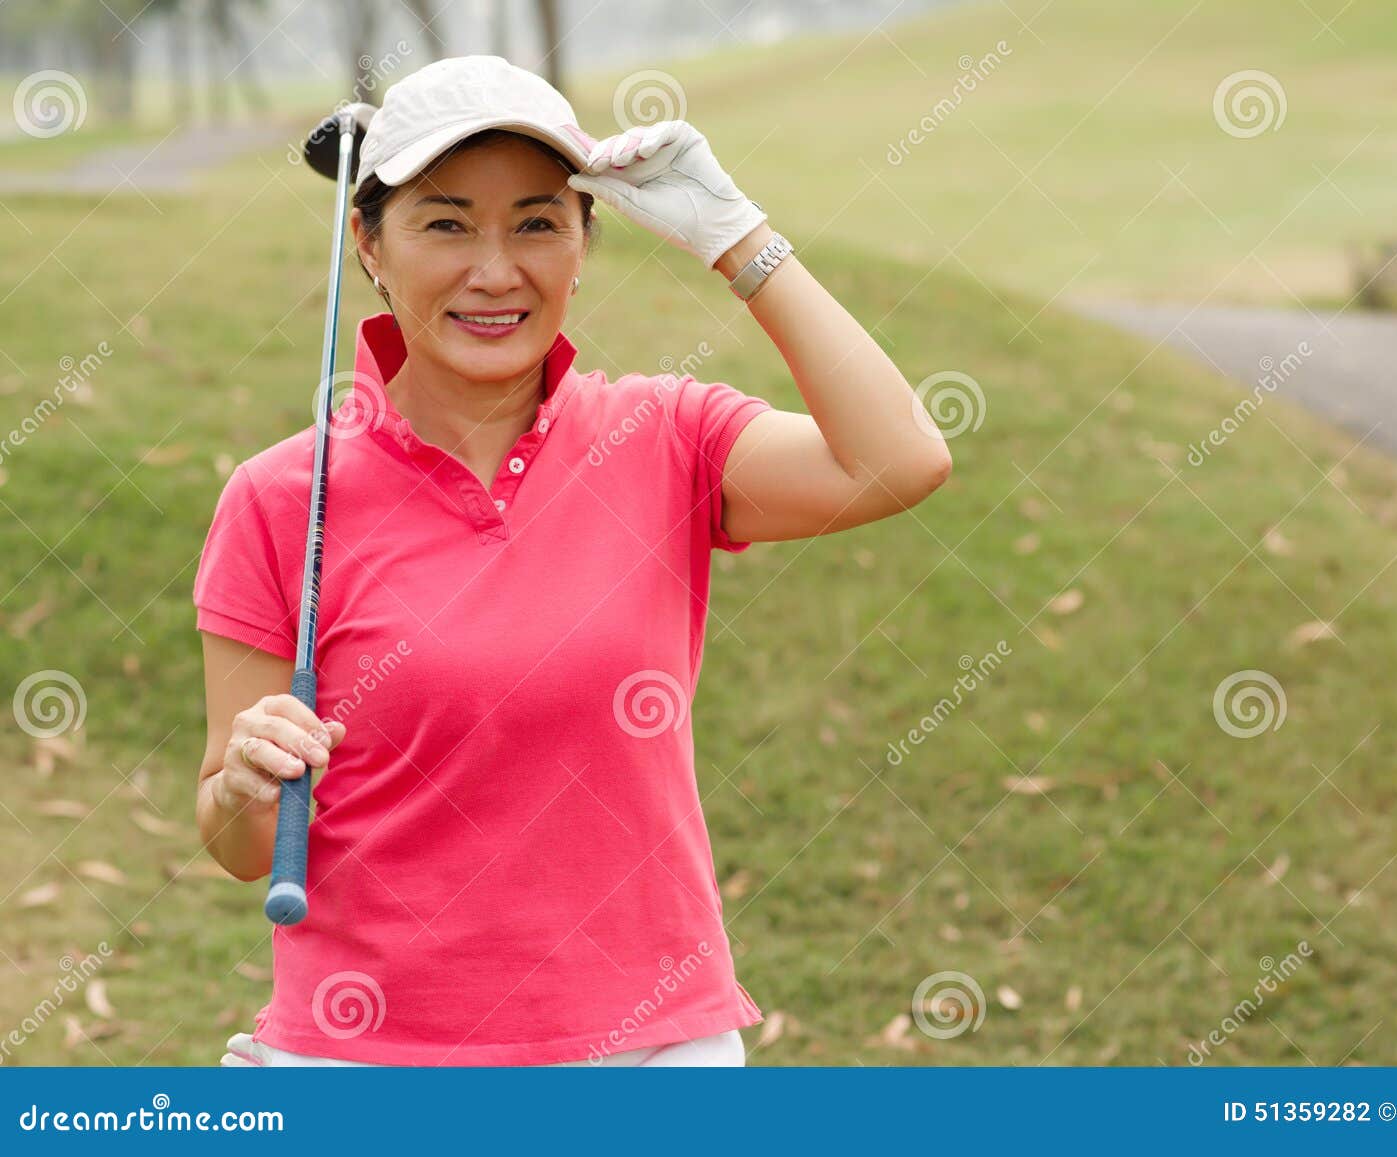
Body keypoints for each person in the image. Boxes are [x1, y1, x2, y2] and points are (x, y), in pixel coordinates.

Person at [194, 55, 952, 1068]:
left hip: (646, 1056)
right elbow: (240, 844)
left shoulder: (664, 433)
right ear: (368, 241)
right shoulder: (281, 497)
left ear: (584, 241)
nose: (496, 270)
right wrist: (245, 782)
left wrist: (738, 241)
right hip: (362, 1058)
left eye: (539, 222)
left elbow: (898, 459)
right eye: (447, 221)